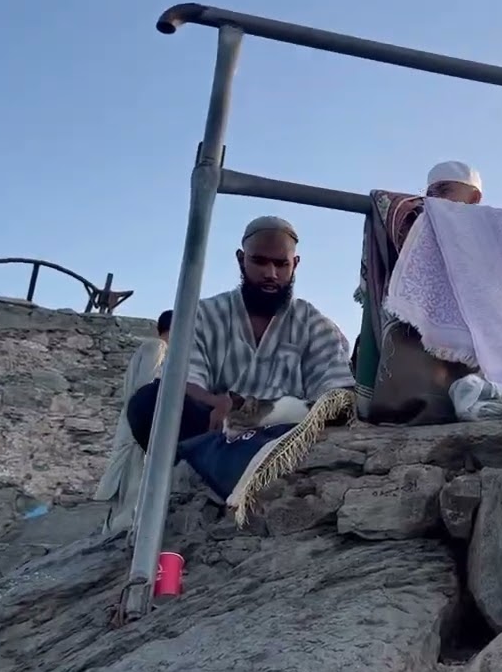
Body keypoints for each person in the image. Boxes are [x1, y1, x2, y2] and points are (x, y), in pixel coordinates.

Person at [125, 216, 355, 452]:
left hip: (283, 436)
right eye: (260, 262)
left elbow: (337, 393)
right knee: (148, 403)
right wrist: (218, 402)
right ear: (241, 259)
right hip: (218, 430)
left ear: (294, 264)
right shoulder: (203, 315)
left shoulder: (315, 325)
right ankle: (205, 467)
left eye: (281, 264)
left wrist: (271, 415)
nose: (271, 273)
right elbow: (183, 378)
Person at [93, 309, 171, 533]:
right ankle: (122, 529)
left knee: (131, 479)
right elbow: (146, 386)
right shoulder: (157, 347)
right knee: (133, 479)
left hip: (134, 423)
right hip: (139, 424)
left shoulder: (148, 348)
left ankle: (117, 528)